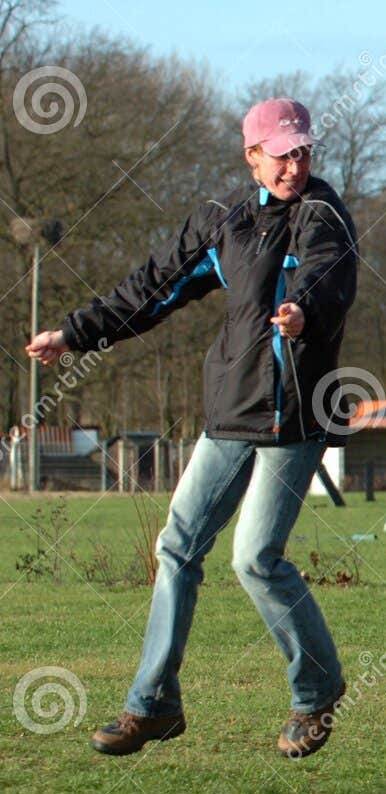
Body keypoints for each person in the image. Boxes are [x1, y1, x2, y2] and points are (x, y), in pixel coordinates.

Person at [26, 98, 360, 759]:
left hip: (295, 414)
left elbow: (330, 274)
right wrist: (74, 333)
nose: (296, 163)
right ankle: (153, 707)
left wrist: (303, 311)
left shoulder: (323, 215)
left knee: (255, 558)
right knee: (176, 547)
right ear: (253, 155)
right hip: (231, 412)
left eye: (304, 151)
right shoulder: (224, 223)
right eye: (283, 152)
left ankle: (315, 693)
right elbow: (151, 288)